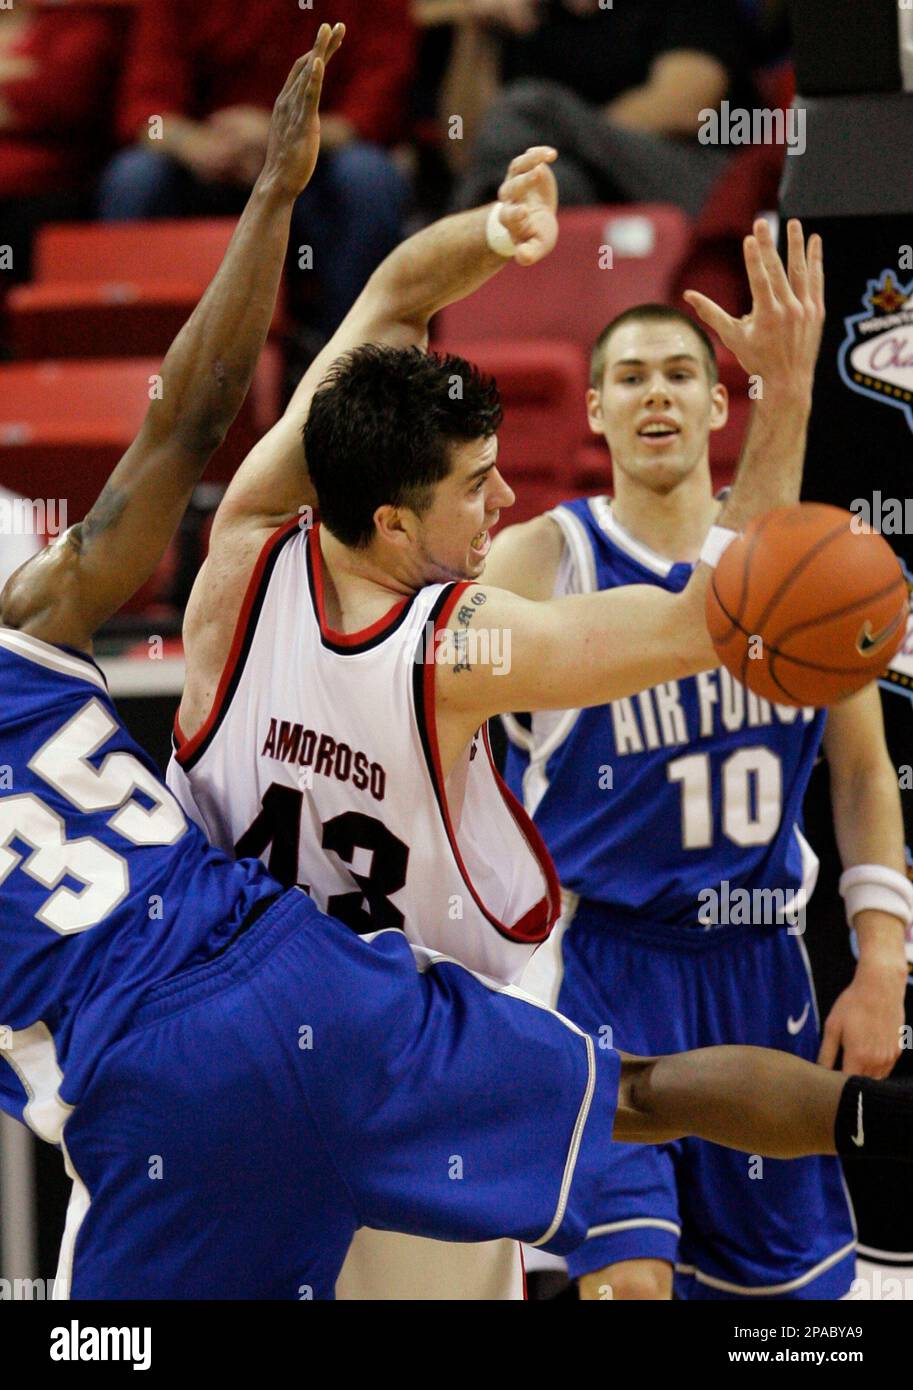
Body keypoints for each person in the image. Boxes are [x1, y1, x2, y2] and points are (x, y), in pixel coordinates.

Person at [1, 29, 901, 1302]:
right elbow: (712, 619)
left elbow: (372, 313)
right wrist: (789, 421)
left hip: (188, 1080)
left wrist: (488, 237)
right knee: (630, 1106)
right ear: (391, 524)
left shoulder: (245, 549)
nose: (503, 503)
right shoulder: (462, 644)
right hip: (401, 1063)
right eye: (477, 490)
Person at [484, 302, 911, 1300]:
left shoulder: (812, 569)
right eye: (629, 376)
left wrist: (883, 956)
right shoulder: (543, 559)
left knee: (781, 1309)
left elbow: (859, 773)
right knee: (627, 1282)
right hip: (601, 964)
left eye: (678, 371)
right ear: (592, 409)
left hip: (760, 967)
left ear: (720, 403)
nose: (656, 391)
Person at [97, 0, 415, 340]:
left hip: (317, 163)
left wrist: (285, 134)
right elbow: (145, 107)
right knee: (134, 179)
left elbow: (376, 109)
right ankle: (135, 362)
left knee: (367, 178)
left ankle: (348, 361)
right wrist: (195, 145)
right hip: (207, 166)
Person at [446, 0, 756, 218]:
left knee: (528, 105)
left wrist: (560, 125)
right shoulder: (529, 15)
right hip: (588, 194)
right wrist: (477, 31)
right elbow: (469, 148)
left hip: (694, 183)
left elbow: (684, 106)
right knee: (556, 184)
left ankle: (457, 259)